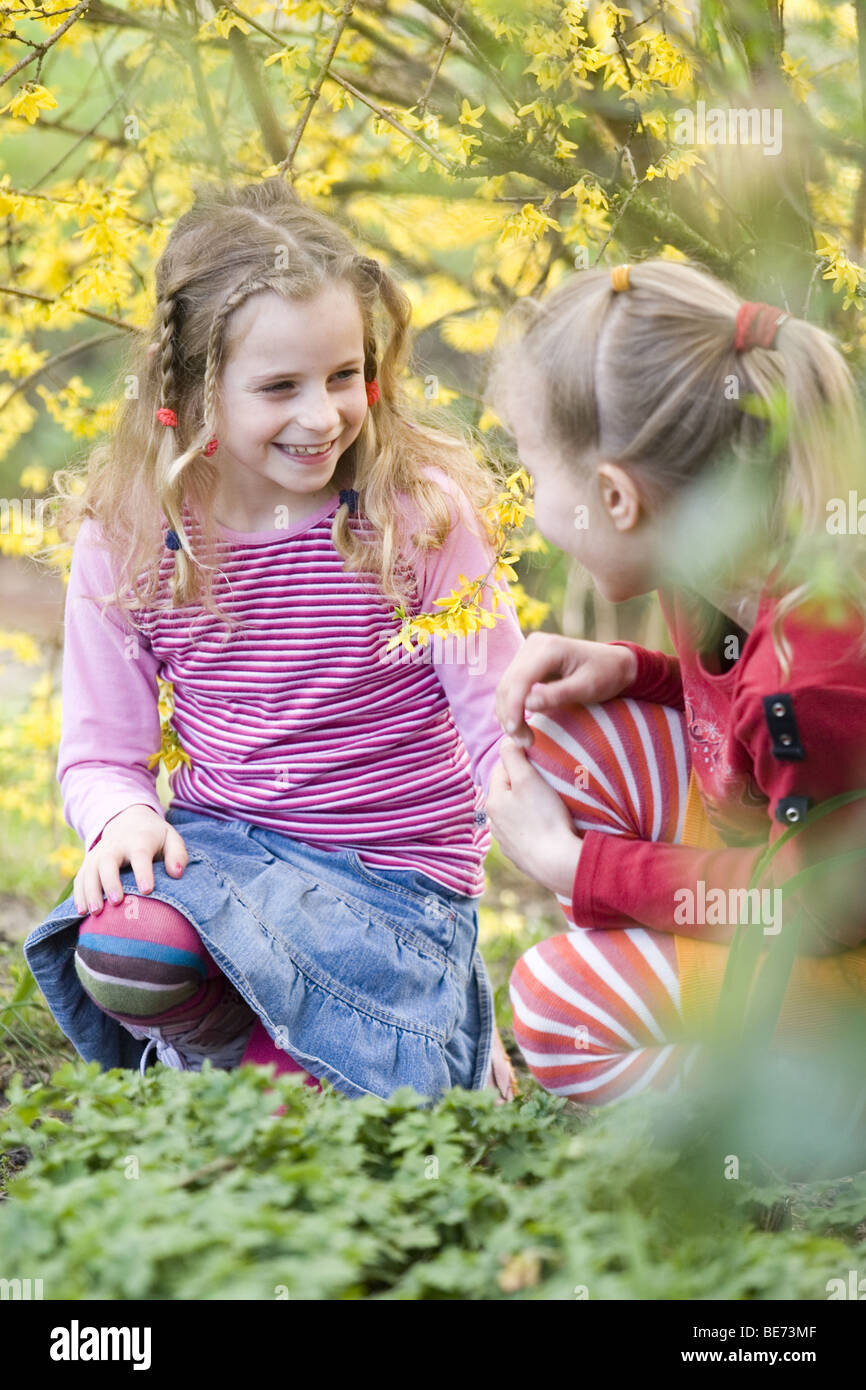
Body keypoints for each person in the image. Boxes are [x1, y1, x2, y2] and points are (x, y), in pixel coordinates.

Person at [24, 177, 523, 1102]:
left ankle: (418, 1029)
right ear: (190, 391)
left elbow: (495, 718)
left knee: (370, 1105)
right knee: (125, 943)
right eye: (279, 387)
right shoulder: (135, 533)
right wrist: (121, 817)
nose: (323, 415)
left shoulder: (412, 513)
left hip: (395, 880)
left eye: (343, 376)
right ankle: (233, 1048)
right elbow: (101, 752)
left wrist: (544, 815)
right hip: (230, 855)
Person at [484, 258, 866, 1104]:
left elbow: (814, 906)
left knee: (562, 1008)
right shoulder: (729, 563)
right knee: (573, 728)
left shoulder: (806, 681)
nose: (529, 503)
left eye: (534, 470)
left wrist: (575, 865)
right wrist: (638, 671)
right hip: (799, 866)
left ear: (615, 497)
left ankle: (793, 1129)